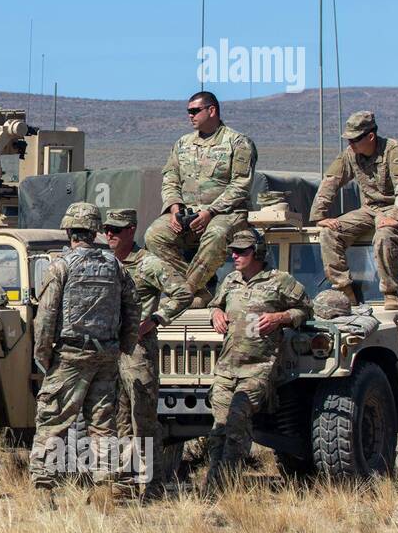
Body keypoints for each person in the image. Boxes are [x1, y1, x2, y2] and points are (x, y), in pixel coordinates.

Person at [29, 203, 138, 506]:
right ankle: (105, 488)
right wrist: (124, 347)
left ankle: (43, 489)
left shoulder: (61, 266)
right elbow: (132, 307)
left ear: (69, 231)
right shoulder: (115, 265)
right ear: (95, 231)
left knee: (53, 421)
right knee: (103, 424)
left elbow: (46, 316)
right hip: (106, 356)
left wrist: (44, 357)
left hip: (70, 356)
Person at [205, 229, 312, 494]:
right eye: (233, 250)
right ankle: (214, 485)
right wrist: (216, 313)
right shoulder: (230, 280)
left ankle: (225, 485)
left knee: (237, 422)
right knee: (218, 428)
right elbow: (214, 305)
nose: (235, 255)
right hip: (226, 368)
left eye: (242, 251)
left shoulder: (280, 281)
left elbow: (306, 309)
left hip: (258, 368)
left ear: (258, 253)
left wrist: (280, 318)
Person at [103, 208, 191, 499]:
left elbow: (182, 292)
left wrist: (154, 320)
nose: (109, 235)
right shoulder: (104, 263)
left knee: (144, 419)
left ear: (131, 230)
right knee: (118, 418)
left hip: (138, 351)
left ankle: (153, 484)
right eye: (107, 229)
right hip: (109, 350)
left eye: (116, 230)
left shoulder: (148, 264)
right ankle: (125, 483)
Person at [144, 91, 257, 304]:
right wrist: (175, 208)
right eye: (188, 111)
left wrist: (210, 211)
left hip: (226, 213)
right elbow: (170, 178)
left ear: (211, 110)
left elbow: (240, 185)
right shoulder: (182, 144)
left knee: (215, 235)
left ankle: (185, 292)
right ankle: (199, 290)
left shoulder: (238, 143)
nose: (190, 116)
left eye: (195, 111)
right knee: (154, 236)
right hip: (187, 213)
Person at [309, 111, 398, 311]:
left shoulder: (394, 150)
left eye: (355, 139)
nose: (350, 144)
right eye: (349, 140)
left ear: (370, 136)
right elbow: (331, 181)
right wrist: (320, 215)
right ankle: (344, 290)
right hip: (370, 208)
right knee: (329, 232)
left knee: (384, 236)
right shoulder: (350, 155)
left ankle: (390, 292)